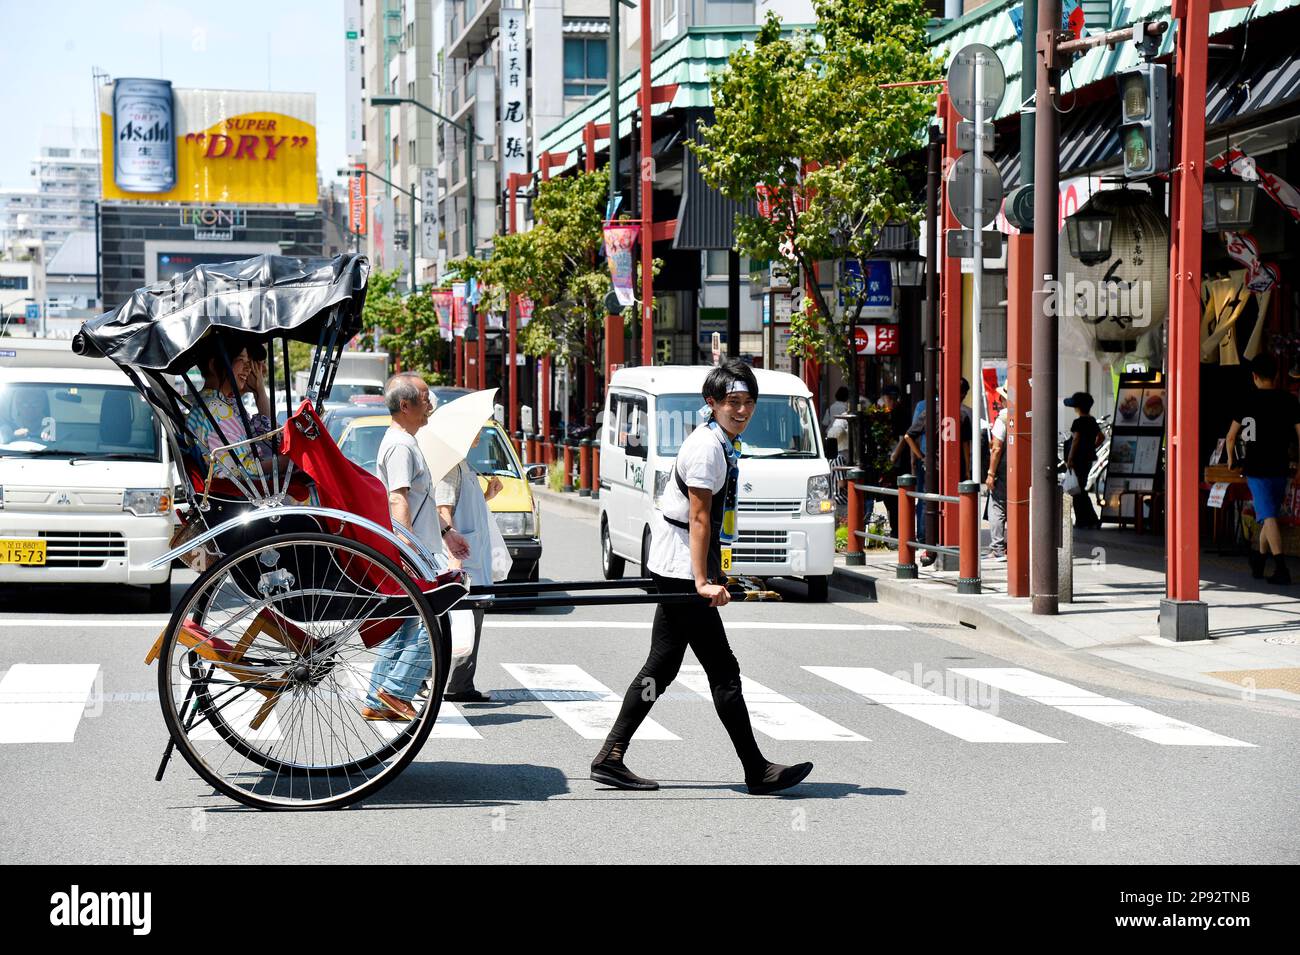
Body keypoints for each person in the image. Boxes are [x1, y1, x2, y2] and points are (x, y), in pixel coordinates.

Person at [591, 359, 814, 795]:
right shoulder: (708, 447)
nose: (743, 410)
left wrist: (712, 571)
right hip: (679, 570)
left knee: (663, 665)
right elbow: (698, 516)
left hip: (679, 564)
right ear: (711, 403)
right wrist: (701, 581)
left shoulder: (719, 442)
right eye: (734, 402)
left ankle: (611, 756)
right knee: (723, 670)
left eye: (749, 402)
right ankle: (756, 769)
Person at [364, 372, 472, 721]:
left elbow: (421, 500)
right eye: (425, 398)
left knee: (405, 625)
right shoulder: (399, 445)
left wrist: (448, 533)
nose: (430, 403)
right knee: (430, 621)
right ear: (405, 405)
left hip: (420, 545)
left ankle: (377, 698)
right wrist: (407, 553)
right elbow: (398, 501)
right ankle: (395, 692)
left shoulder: (408, 441)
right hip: (411, 550)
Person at [435, 423, 503, 703]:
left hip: (471, 555)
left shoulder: (463, 464)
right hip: (462, 558)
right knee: (463, 619)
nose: (478, 436)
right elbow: (444, 509)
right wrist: (453, 559)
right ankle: (452, 682)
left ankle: (461, 682)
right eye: (474, 430)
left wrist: (489, 495)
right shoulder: (451, 466)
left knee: (472, 618)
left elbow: (468, 507)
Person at [1227, 352, 1300, 585]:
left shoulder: (1246, 400)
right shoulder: (1289, 400)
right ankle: (1260, 561)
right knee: (1269, 514)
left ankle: (1278, 567)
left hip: (1256, 468)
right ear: (1276, 375)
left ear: (1254, 376)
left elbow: (1231, 437)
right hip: (1280, 467)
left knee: (1268, 516)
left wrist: (1230, 459)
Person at [184, 339, 282, 482]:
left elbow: (271, 438)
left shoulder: (224, 405)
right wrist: (287, 462)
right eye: (241, 360)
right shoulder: (214, 409)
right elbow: (242, 469)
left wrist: (259, 390)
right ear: (214, 365)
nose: (249, 369)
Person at [1063, 391, 1103, 529]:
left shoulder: (1078, 422)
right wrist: (1091, 448)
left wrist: (1070, 458)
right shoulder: (1092, 421)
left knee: (1077, 491)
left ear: (1077, 407)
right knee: (1080, 489)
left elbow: (1076, 440)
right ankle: (1088, 519)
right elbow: (1101, 437)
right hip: (1087, 459)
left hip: (1077, 459)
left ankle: (1087, 519)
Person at [984, 388, 1010, 561]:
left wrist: (990, 473)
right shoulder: (1028, 414)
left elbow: (996, 448)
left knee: (997, 506)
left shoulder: (1003, 418)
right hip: (1022, 471)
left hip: (1003, 470)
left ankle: (998, 548)